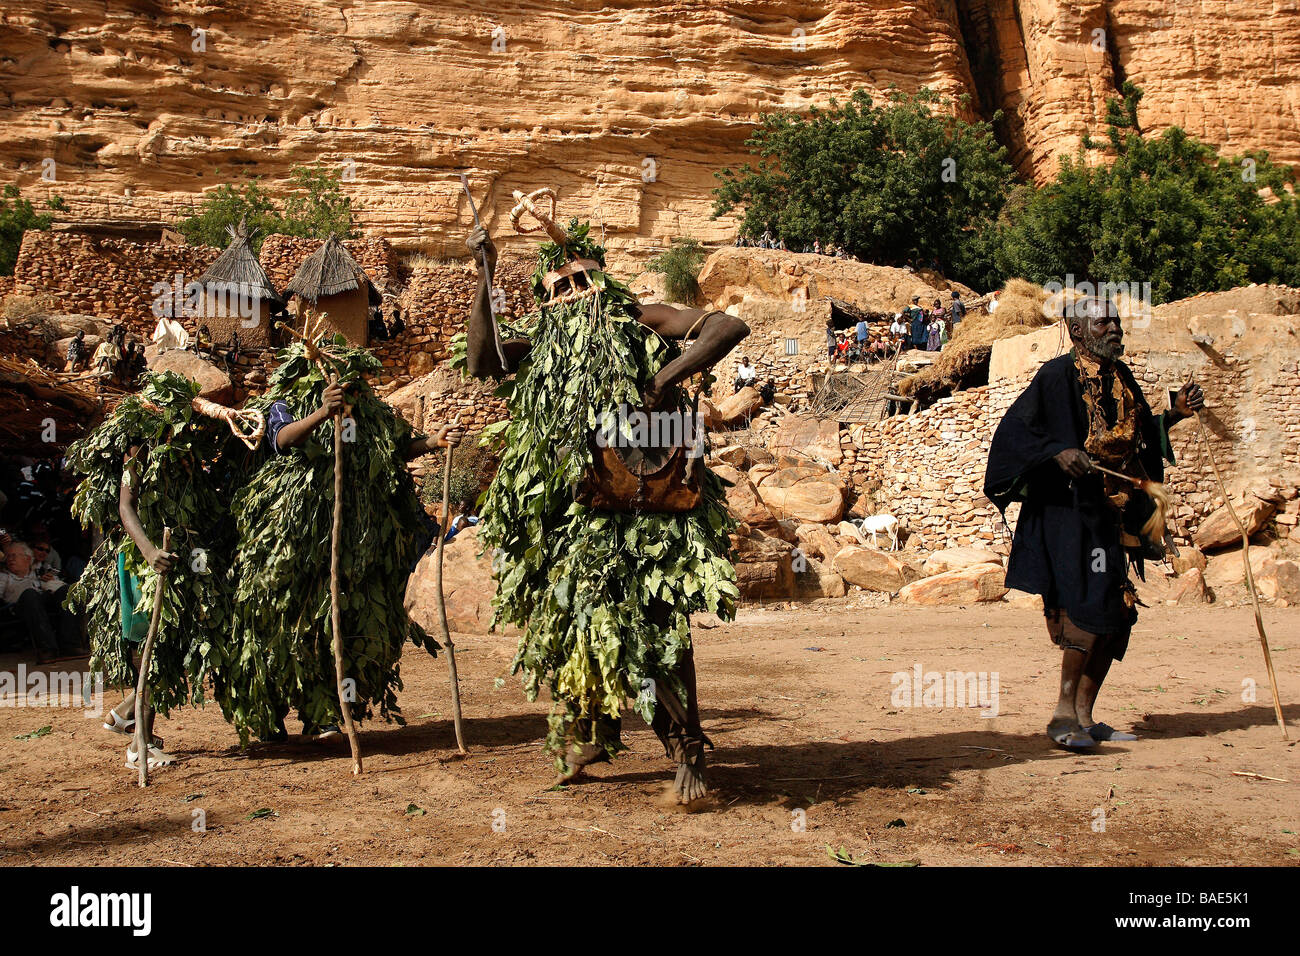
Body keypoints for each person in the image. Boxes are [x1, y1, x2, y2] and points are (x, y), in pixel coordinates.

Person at [465, 199, 747, 804]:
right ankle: (589, 734)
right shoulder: (541, 342)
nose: (574, 291)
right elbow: (483, 361)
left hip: (645, 508)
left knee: (656, 625)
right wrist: (484, 276)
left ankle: (687, 747)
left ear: (604, 280)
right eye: (560, 286)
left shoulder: (638, 318)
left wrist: (664, 380)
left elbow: (727, 328)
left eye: (584, 278)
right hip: (574, 512)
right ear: (546, 299)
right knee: (573, 619)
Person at [984, 296, 1205, 750]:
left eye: (1117, 321)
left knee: (1117, 614)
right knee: (1086, 609)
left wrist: (1176, 414)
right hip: (1067, 515)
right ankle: (1062, 716)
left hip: (1109, 515)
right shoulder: (1055, 377)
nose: (1115, 328)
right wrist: (1056, 453)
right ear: (1077, 331)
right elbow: (1015, 435)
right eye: (1103, 321)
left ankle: (1084, 716)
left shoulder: (1120, 378)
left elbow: (1140, 435)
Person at [230, 340, 464, 745]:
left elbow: (395, 449)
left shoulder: (370, 411)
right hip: (296, 534)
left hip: (356, 534)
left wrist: (432, 442)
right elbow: (282, 439)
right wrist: (323, 412)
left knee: (339, 622)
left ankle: (323, 711)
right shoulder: (285, 399)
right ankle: (268, 712)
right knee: (286, 620)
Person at [1, 540, 81, 663]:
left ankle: (71, 645)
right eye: (9, 556)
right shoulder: (4, 577)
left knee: (65, 590)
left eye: (14, 556)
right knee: (30, 594)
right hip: (18, 607)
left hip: (41, 603)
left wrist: (49, 580)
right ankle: (47, 649)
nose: (10, 559)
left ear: (28, 559)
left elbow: (55, 580)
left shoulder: (39, 572)